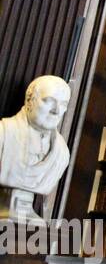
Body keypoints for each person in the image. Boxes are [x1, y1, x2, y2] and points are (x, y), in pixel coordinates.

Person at [0, 76, 72, 226]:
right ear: (29, 100)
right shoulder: (3, 133)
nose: (56, 111)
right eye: (49, 101)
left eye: (63, 104)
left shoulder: (62, 154)